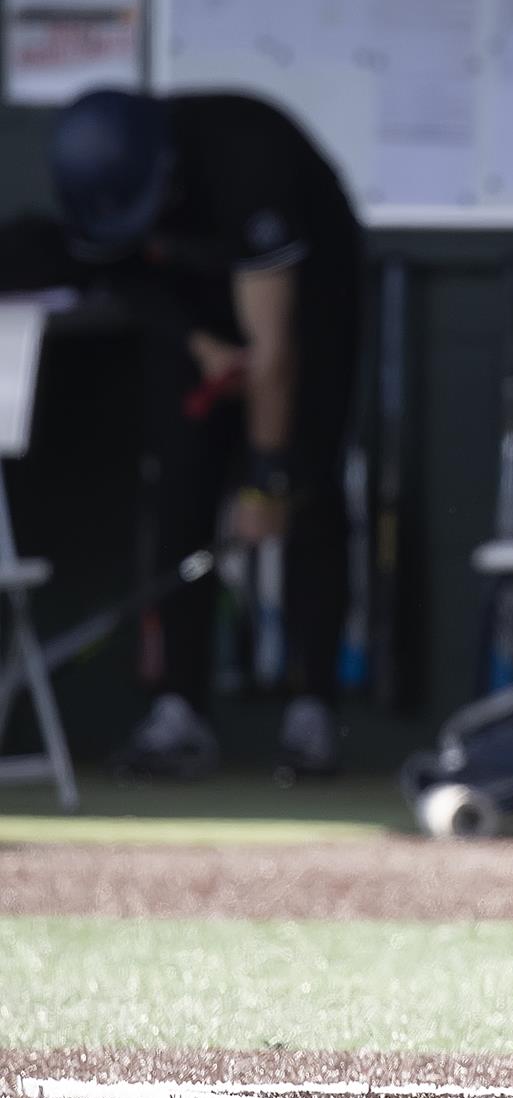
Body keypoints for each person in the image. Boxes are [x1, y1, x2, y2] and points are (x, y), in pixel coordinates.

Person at [43, 87, 364, 781]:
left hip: (308, 303)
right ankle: (179, 711)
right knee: (181, 492)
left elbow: (274, 351)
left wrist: (268, 478)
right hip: (196, 316)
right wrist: (200, 344)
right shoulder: (105, 193)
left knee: (307, 487)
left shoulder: (252, 162)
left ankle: (313, 710)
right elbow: (121, 274)